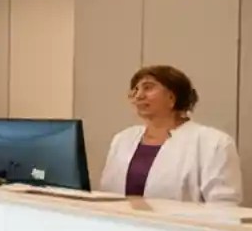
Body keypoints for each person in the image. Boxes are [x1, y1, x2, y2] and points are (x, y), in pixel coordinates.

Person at [100, 65, 242, 204]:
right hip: (122, 224)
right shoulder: (123, 139)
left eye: (148, 88)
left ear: (172, 97)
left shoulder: (213, 143)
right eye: (135, 90)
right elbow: (107, 194)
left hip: (182, 226)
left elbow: (224, 206)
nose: (138, 96)